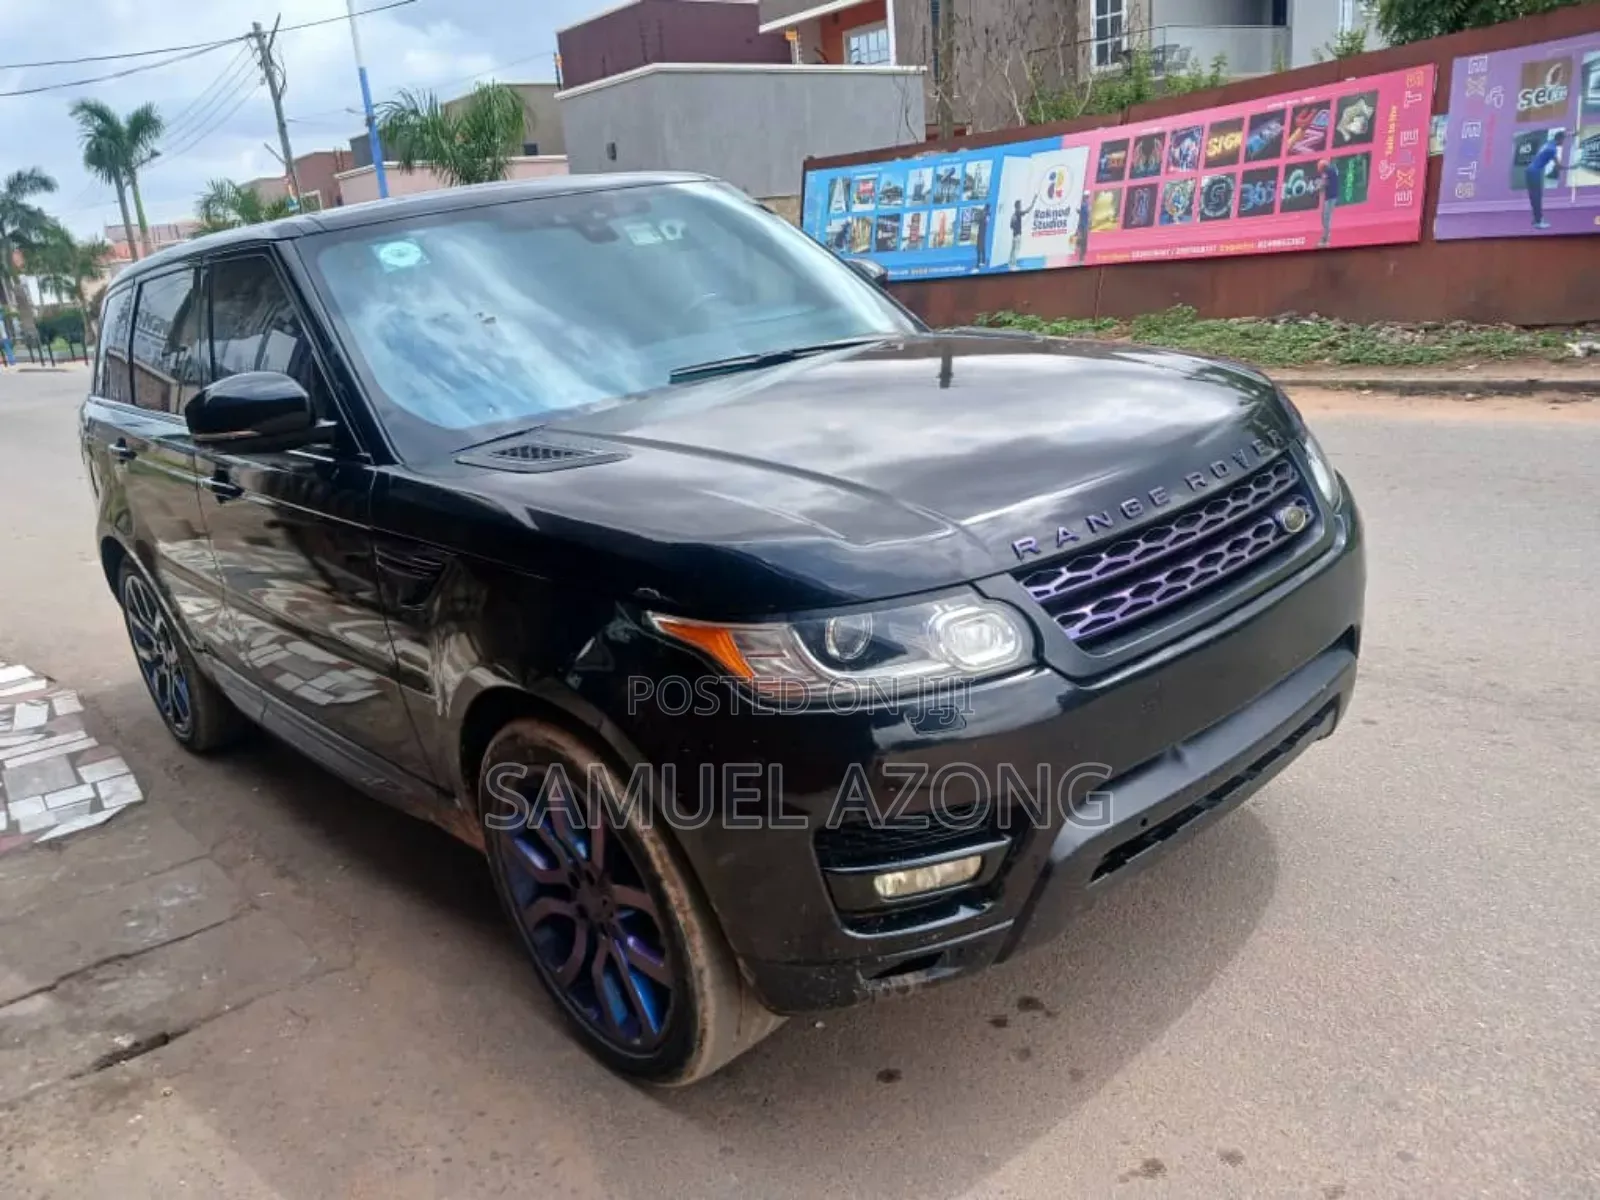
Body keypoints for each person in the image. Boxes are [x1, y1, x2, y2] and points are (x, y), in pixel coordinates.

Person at [1526, 130, 1565, 230]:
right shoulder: (1552, 149)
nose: (1564, 142)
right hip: (1534, 172)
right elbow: (1559, 166)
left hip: (1530, 170)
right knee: (1537, 197)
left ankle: (1536, 219)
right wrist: (1573, 167)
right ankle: (1538, 222)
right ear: (1560, 139)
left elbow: (1561, 135)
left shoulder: (1549, 143)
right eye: (1563, 140)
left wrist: (1572, 134)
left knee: (1534, 196)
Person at [1317, 158, 1340, 247]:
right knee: (1326, 216)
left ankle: (1326, 238)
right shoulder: (1332, 170)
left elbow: (1324, 183)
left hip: (1330, 197)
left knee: (1326, 217)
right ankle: (1326, 235)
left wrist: (1319, 188)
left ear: (1322, 167)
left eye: (1320, 168)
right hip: (1332, 196)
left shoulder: (1327, 171)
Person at [1007, 197, 1035, 270]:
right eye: (1020, 205)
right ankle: (1013, 265)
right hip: (1017, 236)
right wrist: (1033, 200)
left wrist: (1015, 226)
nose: (1021, 206)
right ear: (1018, 206)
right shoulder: (1018, 213)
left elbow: (1011, 226)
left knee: (1012, 250)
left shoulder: (1014, 214)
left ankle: (1010, 264)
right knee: (1016, 251)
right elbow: (1028, 210)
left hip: (1014, 236)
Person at [972, 204, 990, 271]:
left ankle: (977, 266)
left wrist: (982, 215)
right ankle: (983, 261)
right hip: (981, 232)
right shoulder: (985, 214)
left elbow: (984, 221)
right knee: (982, 247)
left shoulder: (986, 215)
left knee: (979, 248)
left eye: (985, 208)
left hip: (982, 233)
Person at [1075, 191, 1092, 264]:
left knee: (1083, 241)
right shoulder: (1084, 205)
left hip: (1083, 225)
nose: (1087, 198)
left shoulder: (1086, 205)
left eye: (1087, 197)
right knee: (1082, 241)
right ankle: (1081, 257)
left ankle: (1081, 257)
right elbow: (1082, 212)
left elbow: (1085, 214)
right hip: (1082, 226)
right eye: (1086, 197)